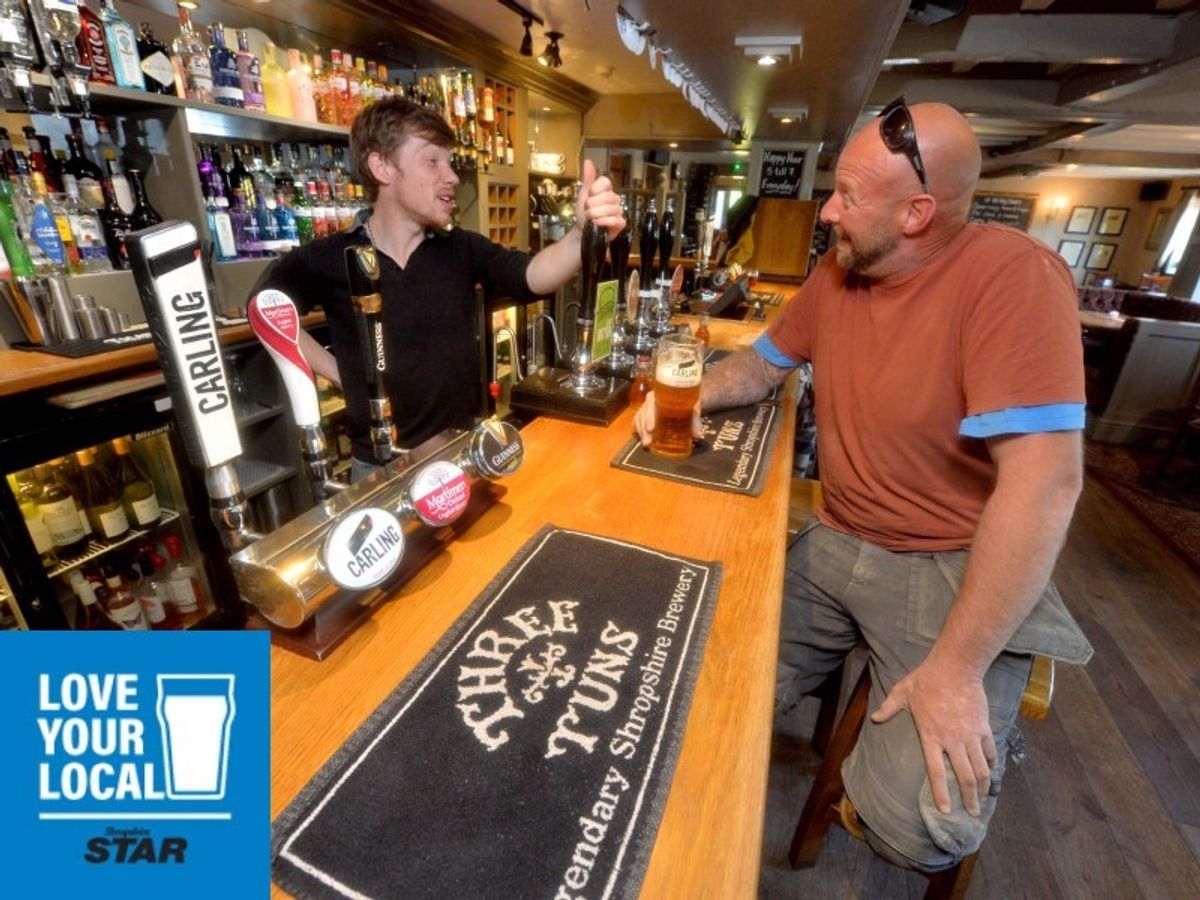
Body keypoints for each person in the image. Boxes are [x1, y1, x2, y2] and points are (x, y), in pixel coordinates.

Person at [634, 100, 1093, 872]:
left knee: (917, 832)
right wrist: (689, 393)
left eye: (847, 195)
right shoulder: (841, 271)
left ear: (916, 212)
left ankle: (948, 703)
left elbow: (1046, 488)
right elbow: (762, 365)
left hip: (948, 563)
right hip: (837, 536)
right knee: (676, 693)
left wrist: (953, 670)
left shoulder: (1013, 279)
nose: (827, 209)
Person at [256, 96, 624, 479]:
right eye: (432, 161)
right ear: (381, 166)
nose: (451, 176)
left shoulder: (460, 248)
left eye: (449, 162)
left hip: (459, 453)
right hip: (379, 466)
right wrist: (341, 374)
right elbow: (264, 308)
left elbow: (531, 276)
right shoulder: (332, 256)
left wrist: (581, 234)